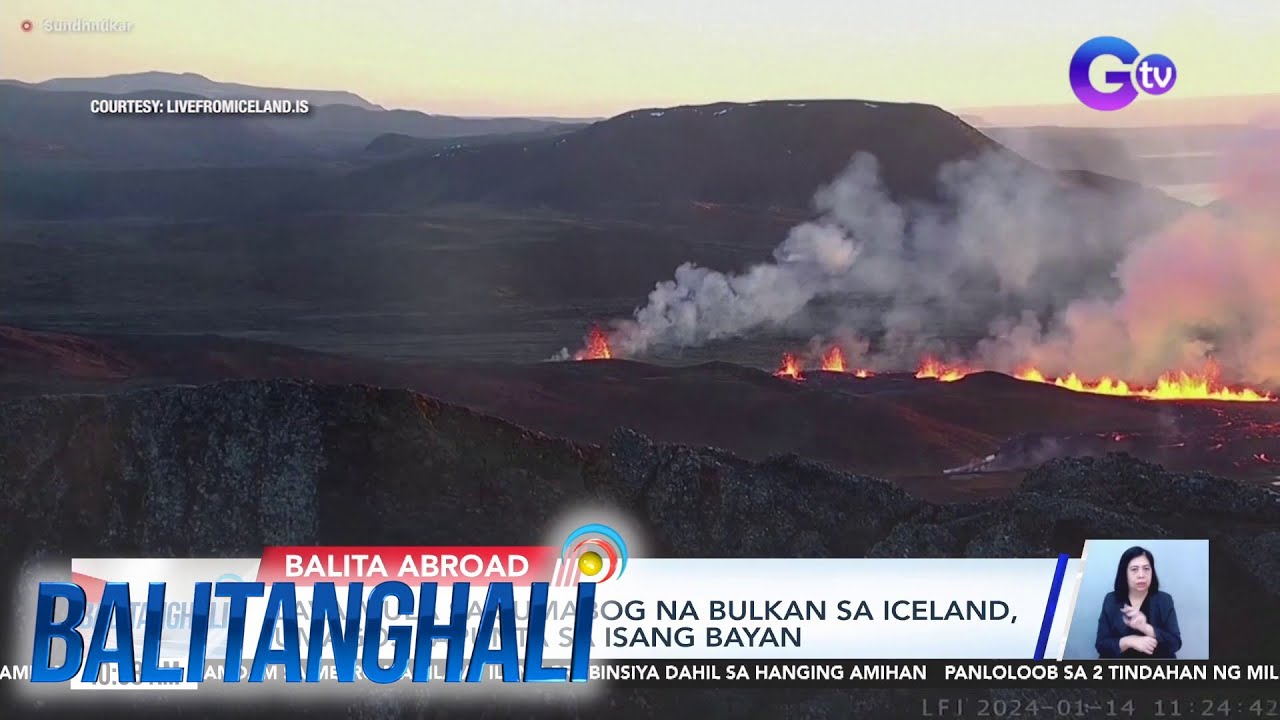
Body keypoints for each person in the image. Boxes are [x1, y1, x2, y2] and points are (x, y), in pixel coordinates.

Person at [1095, 546, 1182, 658]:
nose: (1141, 575)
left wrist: (1146, 628)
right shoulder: (1111, 600)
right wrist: (1129, 641)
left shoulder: (1164, 600)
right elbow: (1101, 645)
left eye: (1146, 569)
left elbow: (1175, 644)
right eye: (1134, 569)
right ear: (1124, 573)